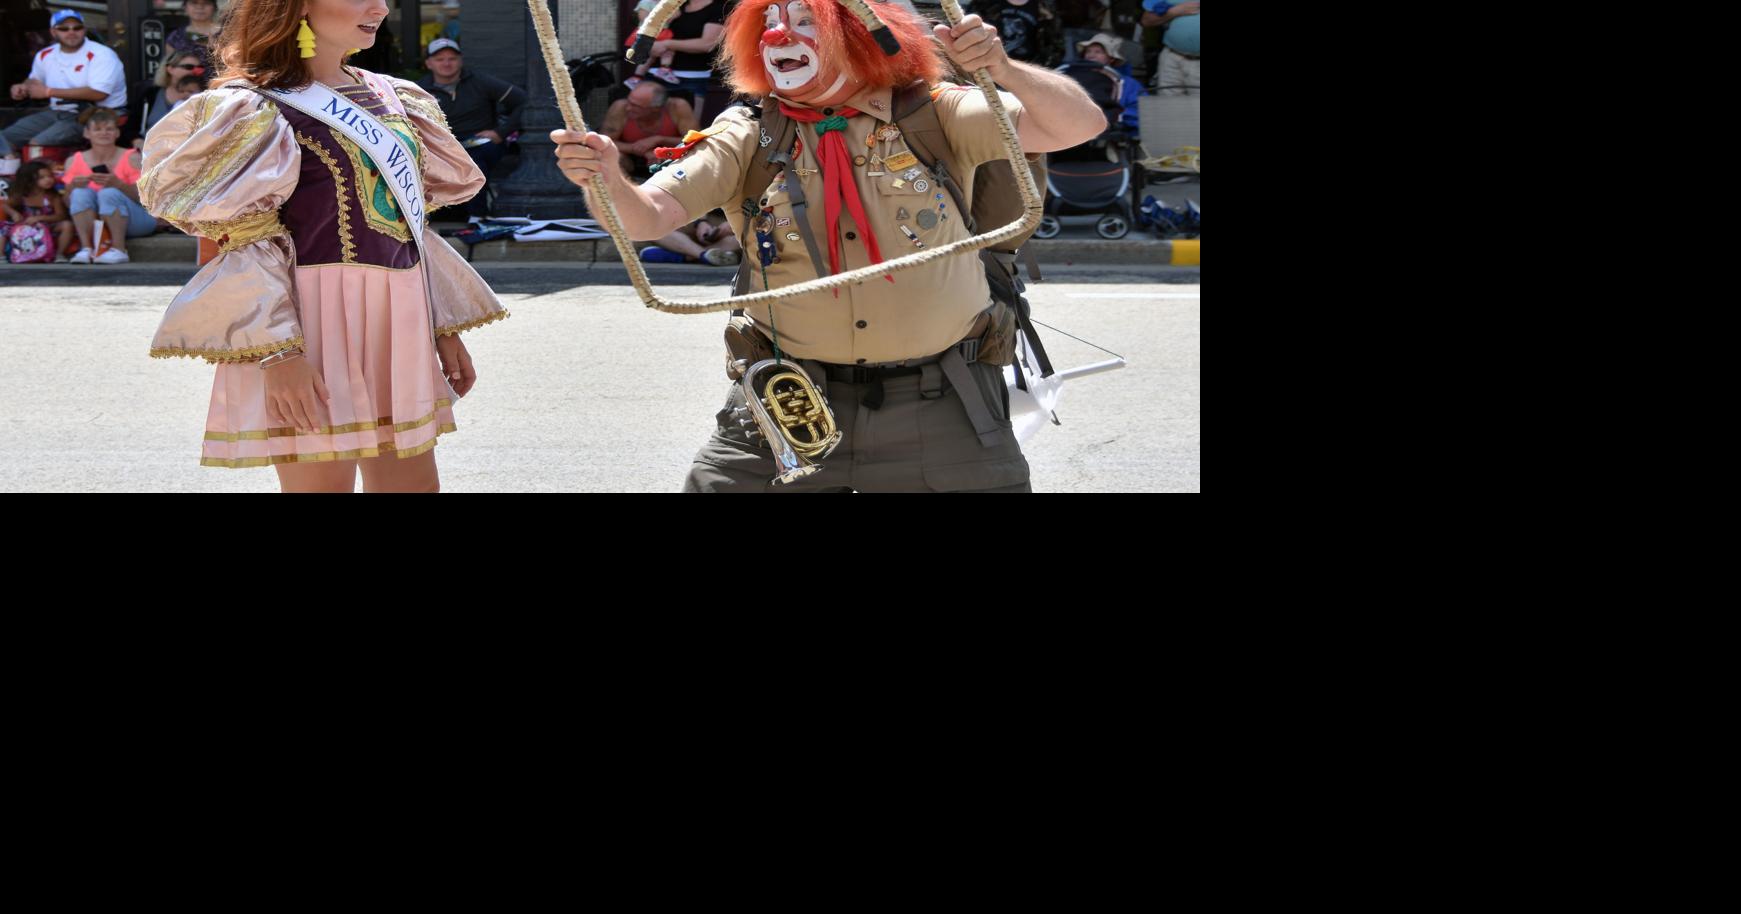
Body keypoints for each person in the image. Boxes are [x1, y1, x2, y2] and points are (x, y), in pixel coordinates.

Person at [554, 0, 1106, 492]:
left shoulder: (936, 112)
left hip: (945, 408)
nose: (776, 36)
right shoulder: (747, 130)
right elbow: (648, 218)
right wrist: (604, 177)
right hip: (784, 402)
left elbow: (1075, 125)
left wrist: (1002, 70)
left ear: (862, 33)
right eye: (766, 25)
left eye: (803, 22)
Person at [139, 0, 509, 491]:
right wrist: (277, 354)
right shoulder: (255, 105)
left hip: (396, 315)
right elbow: (249, 239)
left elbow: (410, 225)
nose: (380, 7)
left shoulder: (394, 96)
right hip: (309, 321)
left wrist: (441, 324)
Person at [415, 38, 526, 219]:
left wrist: (501, 132)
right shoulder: (419, 90)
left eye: (452, 58)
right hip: (440, 147)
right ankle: (426, 218)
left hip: (480, 143)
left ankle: (478, 217)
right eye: (440, 59)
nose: (447, 63)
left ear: (461, 60)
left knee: (474, 160)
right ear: (429, 63)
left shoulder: (480, 81)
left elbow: (524, 101)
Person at [1, 10, 127, 161]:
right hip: (57, 112)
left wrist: (48, 92)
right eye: (64, 28)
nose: (71, 32)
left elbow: (99, 93)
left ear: (84, 30)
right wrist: (23, 87)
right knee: (5, 139)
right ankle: (11, 172)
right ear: (53, 32)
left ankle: (50, 179)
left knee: (37, 144)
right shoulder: (45, 54)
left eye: (77, 28)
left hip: (97, 114)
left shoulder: (102, 54)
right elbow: (35, 80)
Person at [61, 108, 155, 264]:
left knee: (109, 192)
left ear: (117, 133)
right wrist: (71, 187)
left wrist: (118, 184)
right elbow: (67, 203)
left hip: (138, 219)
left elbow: (147, 200)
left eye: (109, 129)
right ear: (87, 133)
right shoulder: (74, 161)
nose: (104, 133)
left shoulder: (133, 157)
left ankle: (119, 250)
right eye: (97, 129)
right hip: (98, 222)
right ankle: (87, 249)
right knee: (79, 193)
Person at [599, 81, 698, 178]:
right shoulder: (620, 107)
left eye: (635, 106)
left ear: (655, 108)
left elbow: (694, 142)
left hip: (670, 158)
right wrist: (638, 149)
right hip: (630, 159)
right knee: (610, 157)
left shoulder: (678, 107)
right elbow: (604, 142)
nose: (628, 108)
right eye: (628, 101)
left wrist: (659, 139)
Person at [125, 52, 207, 149]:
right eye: (188, 67)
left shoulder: (206, 95)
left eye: (199, 68)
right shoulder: (151, 94)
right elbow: (130, 128)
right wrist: (139, 144)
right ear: (170, 69)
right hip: (149, 153)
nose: (195, 71)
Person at [2, 159, 76, 261]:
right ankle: (1, 256)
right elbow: (5, 205)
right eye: (42, 177)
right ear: (28, 180)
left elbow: (61, 215)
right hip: (22, 228)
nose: (48, 180)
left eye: (50, 176)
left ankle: (59, 254)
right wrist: (14, 213)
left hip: (46, 227)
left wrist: (40, 218)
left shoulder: (52, 196)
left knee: (67, 225)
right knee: (2, 228)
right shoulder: (21, 195)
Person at [166, 0, 223, 71]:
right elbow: (169, 67)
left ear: (214, 7)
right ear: (185, 7)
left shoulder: (227, 33)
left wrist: (219, 51)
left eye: (206, 3)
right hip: (186, 80)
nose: (200, 7)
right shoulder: (175, 36)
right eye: (194, 2)